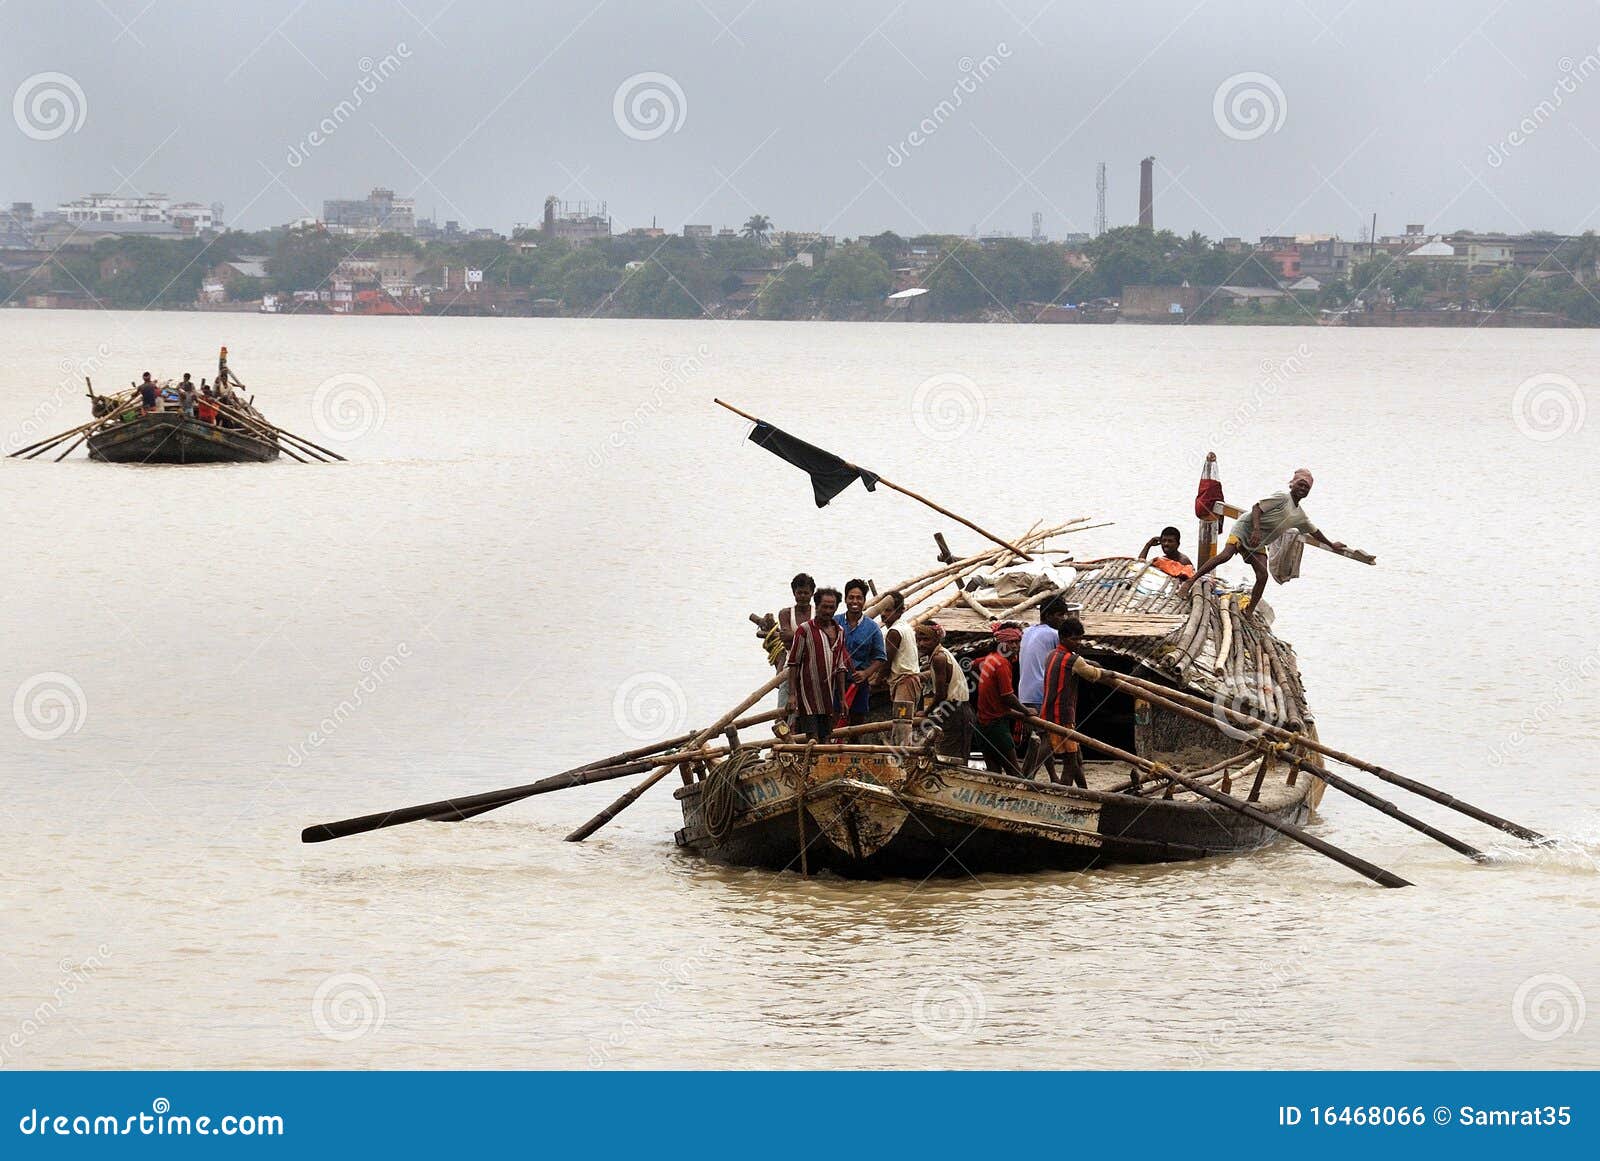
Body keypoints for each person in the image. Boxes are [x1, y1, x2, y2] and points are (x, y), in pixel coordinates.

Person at [1178, 469, 1346, 616]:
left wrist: (1331, 544)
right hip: (1245, 528)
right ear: (1292, 484)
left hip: (1259, 543)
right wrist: (1256, 530)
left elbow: (1314, 531)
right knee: (1226, 555)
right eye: (1300, 484)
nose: (1302, 489)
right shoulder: (1282, 497)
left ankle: (1249, 611)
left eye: (1306, 487)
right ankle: (1190, 582)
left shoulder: (1299, 515)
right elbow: (1256, 508)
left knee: (1262, 575)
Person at [1039, 617, 1103, 788]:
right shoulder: (1074, 661)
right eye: (1074, 639)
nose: (1078, 643)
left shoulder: (1051, 655)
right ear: (1063, 638)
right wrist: (1109, 674)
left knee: (1076, 757)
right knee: (1070, 762)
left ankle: (1085, 791)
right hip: (1062, 717)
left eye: (1080, 638)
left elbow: (1081, 663)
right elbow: (1094, 675)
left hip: (1048, 714)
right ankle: (1064, 794)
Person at [786, 587, 850, 742]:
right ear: (817, 606)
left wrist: (842, 698)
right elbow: (793, 663)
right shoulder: (805, 630)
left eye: (831, 607)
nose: (827, 611)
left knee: (827, 737)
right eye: (824, 607)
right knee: (812, 738)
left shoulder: (839, 631)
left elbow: (841, 667)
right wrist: (792, 695)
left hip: (828, 696)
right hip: (808, 697)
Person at [1017, 597, 1069, 777]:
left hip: (1024, 693)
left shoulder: (1027, 631)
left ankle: (1052, 776)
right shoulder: (1053, 635)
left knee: (1040, 739)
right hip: (1041, 694)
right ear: (1047, 615)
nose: (1063, 619)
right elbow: (1067, 659)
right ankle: (1030, 775)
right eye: (1059, 615)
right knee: (1050, 739)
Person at [915, 620, 972, 762]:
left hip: (955, 711)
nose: (921, 644)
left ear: (936, 639)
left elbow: (941, 694)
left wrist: (926, 712)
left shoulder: (938, 658)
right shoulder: (940, 654)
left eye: (926, 639)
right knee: (955, 755)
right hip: (958, 709)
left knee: (949, 757)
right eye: (919, 639)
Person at [974, 626, 1028, 774]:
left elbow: (973, 664)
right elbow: (1007, 696)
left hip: (982, 723)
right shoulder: (1002, 663)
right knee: (1014, 772)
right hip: (995, 723)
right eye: (1011, 642)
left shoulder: (990, 658)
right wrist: (1026, 711)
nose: (1015, 646)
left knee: (994, 771)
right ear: (1001, 644)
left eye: (1017, 642)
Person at [835, 578, 886, 726]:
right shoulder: (835, 622)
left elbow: (880, 657)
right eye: (851, 597)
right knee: (834, 721)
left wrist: (866, 673)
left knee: (857, 723)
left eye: (859, 598)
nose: (854, 601)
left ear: (864, 601)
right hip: (835, 682)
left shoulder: (872, 628)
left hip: (858, 683)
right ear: (845, 599)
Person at [761, 573, 815, 711]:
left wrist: (795, 636)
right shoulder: (786, 613)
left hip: (813, 663)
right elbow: (785, 638)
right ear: (794, 593)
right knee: (783, 707)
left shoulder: (818, 612)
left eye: (806, 593)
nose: (802, 596)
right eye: (799, 592)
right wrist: (810, 637)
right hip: (790, 664)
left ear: (812, 594)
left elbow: (820, 637)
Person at [878, 591, 920, 745]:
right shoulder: (904, 627)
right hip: (907, 681)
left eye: (888, 610)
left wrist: (876, 681)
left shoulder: (894, 632)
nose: (883, 614)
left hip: (905, 682)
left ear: (900, 611)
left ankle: (904, 759)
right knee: (903, 722)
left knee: (902, 723)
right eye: (882, 610)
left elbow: (886, 661)